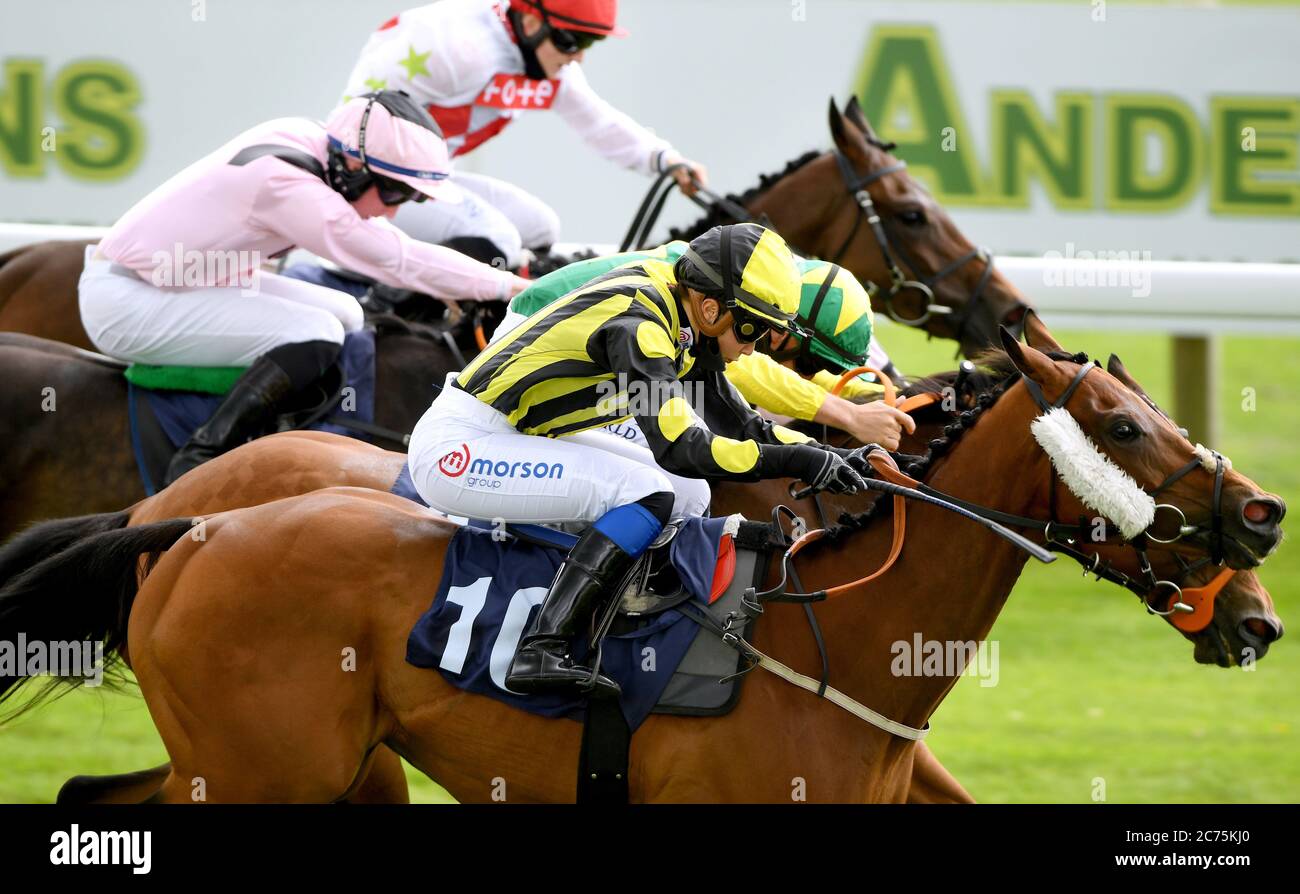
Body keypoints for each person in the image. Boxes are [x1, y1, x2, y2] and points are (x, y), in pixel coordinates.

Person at [407, 223, 870, 698]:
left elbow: (740, 425)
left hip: (514, 432)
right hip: (461, 446)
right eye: (754, 330)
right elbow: (683, 447)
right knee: (647, 492)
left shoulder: (684, 317)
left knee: (691, 494)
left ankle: (630, 602)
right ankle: (541, 647)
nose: (754, 348)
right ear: (711, 308)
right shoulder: (641, 326)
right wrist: (801, 460)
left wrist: (831, 455)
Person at [79, 90, 528, 484]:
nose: (392, 211)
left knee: (348, 313)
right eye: (393, 193)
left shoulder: (310, 138)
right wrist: (507, 286)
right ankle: (200, 457)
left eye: (409, 199)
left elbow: (394, 251)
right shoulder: (287, 185)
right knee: (317, 332)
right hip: (129, 301)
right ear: (353, 166)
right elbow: (397, 259)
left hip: (179, 283)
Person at [340, 0, 707, 269]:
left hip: (428, 181)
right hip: (370, 185)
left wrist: (666, 159)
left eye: (589, 42)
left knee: (540, 225)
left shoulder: (547, 62)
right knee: (498, 238)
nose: (578, 56)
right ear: (531, 22)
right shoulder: (457, 48)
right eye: (572, 40)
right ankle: (384, 305)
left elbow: (599, 123)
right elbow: (357, 114)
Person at [494, 242, 916, 449]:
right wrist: (848, 416)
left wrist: (865, 396)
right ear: (782, 329)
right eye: (803, 362)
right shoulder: (722, 296)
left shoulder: (756, 284)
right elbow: (747, 373)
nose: (801, 374)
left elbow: (783, 372)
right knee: (677, 466)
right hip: (535, 349)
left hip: (602, 355)